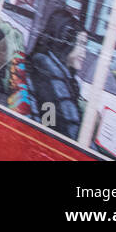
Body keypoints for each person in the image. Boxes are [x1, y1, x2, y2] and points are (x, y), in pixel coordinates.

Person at [25, 8, 88, 141]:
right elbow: (50, 127)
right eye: (81, 44)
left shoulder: (63, 79)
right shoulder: (47, 77)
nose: (84, 53)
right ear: (65, 42)